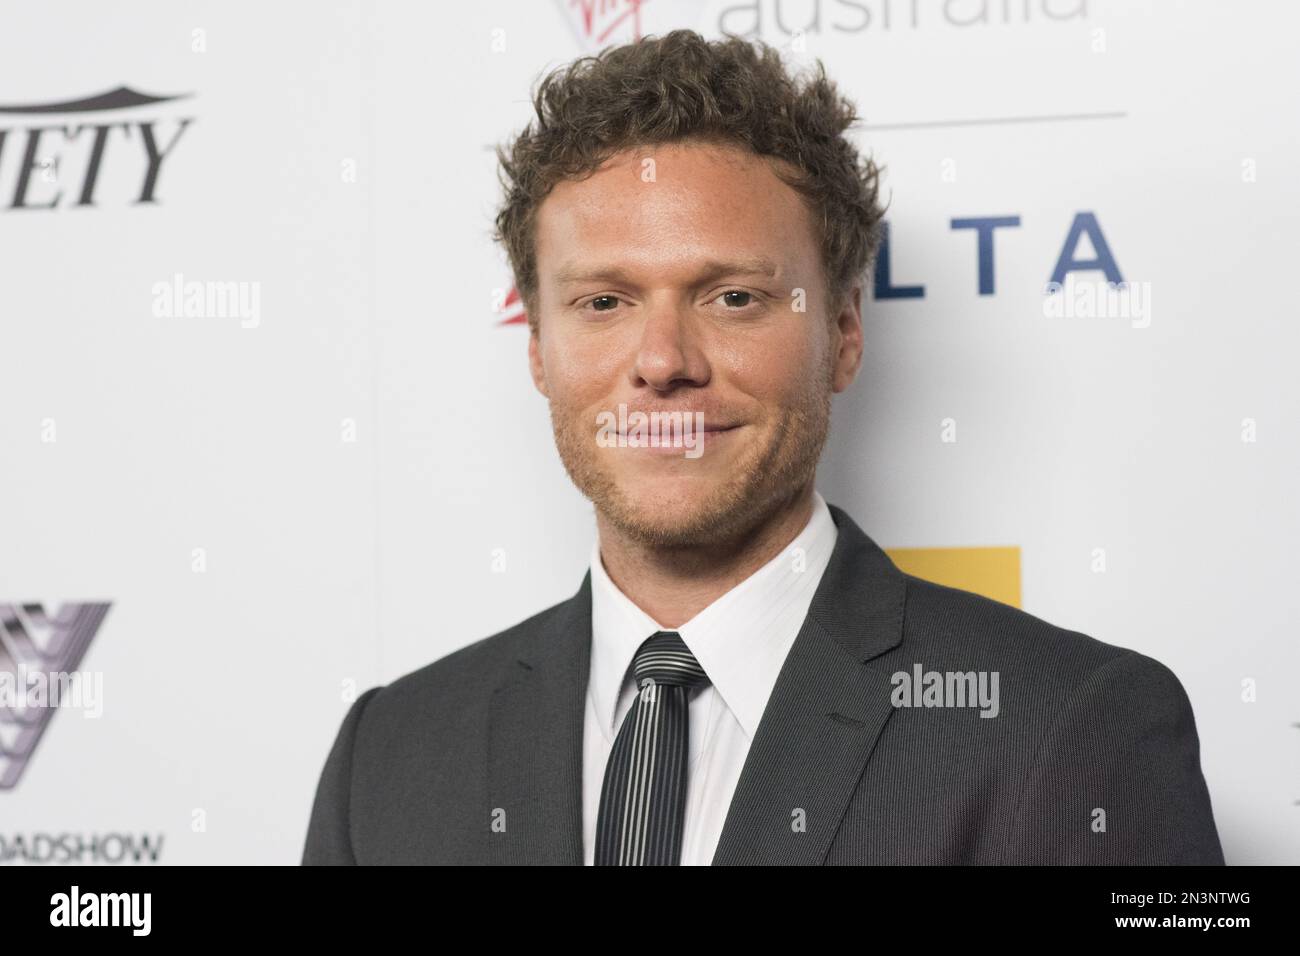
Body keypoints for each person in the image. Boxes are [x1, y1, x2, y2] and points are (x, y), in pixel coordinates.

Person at [302, 29, 1223, 865]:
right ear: (539, 350)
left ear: (846, 334)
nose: (662, 362)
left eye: (734, 297)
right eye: (604, 302)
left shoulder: (1071, 733)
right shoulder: (388, 758)